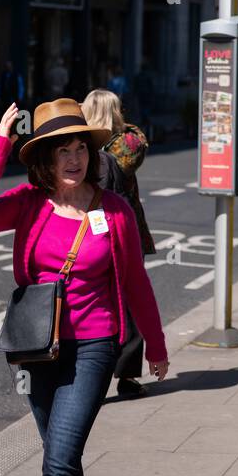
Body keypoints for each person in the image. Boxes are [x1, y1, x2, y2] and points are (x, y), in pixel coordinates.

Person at [0, 99, 170, 476]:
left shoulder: (113, 210)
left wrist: (155, 347)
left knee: (58, 460)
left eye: (80, 149)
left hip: (96, 345)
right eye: (62, 151)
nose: (74, 159)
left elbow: (136, 280)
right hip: (38, 345)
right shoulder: (29, 204)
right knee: (60, 451)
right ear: (44, 160)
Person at [82, 88, 155, 399]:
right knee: (127, 304)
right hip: (119, 231)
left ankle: (110, 373)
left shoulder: (99, 150)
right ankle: (122, 375)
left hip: (92, 234)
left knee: (107, 302)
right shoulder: (114, 146)